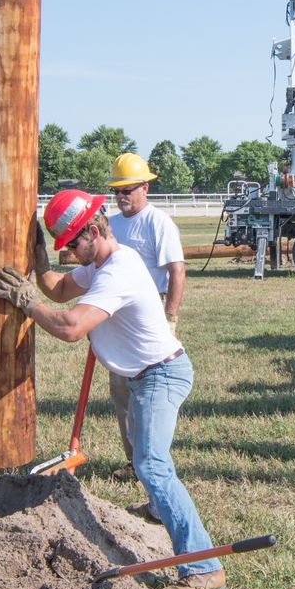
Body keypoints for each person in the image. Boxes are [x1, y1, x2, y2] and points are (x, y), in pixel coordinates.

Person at [0, 189, 223, 589]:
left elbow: (70, 327)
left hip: (161, 375)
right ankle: (157, 510)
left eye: (73, 244)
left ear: (94, 231)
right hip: (143, 375)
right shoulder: (102, 262)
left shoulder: (117, 271)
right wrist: (40, 262)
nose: (72, 253)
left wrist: (26, 303)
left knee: (150, 465)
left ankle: (204, 566)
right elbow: (60, 289)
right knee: (148, 461)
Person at [104, 152, 186, 483]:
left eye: (128, 189)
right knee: (120, 390)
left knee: (148, 394)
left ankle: (152, 463)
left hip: (151, 314)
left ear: (145, 188)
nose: (122, 196)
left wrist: (170, 317)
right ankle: (134, 462)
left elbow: (177, 271)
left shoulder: (158, 222)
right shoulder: (110, 225)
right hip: (119, 318)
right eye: (117, 191)